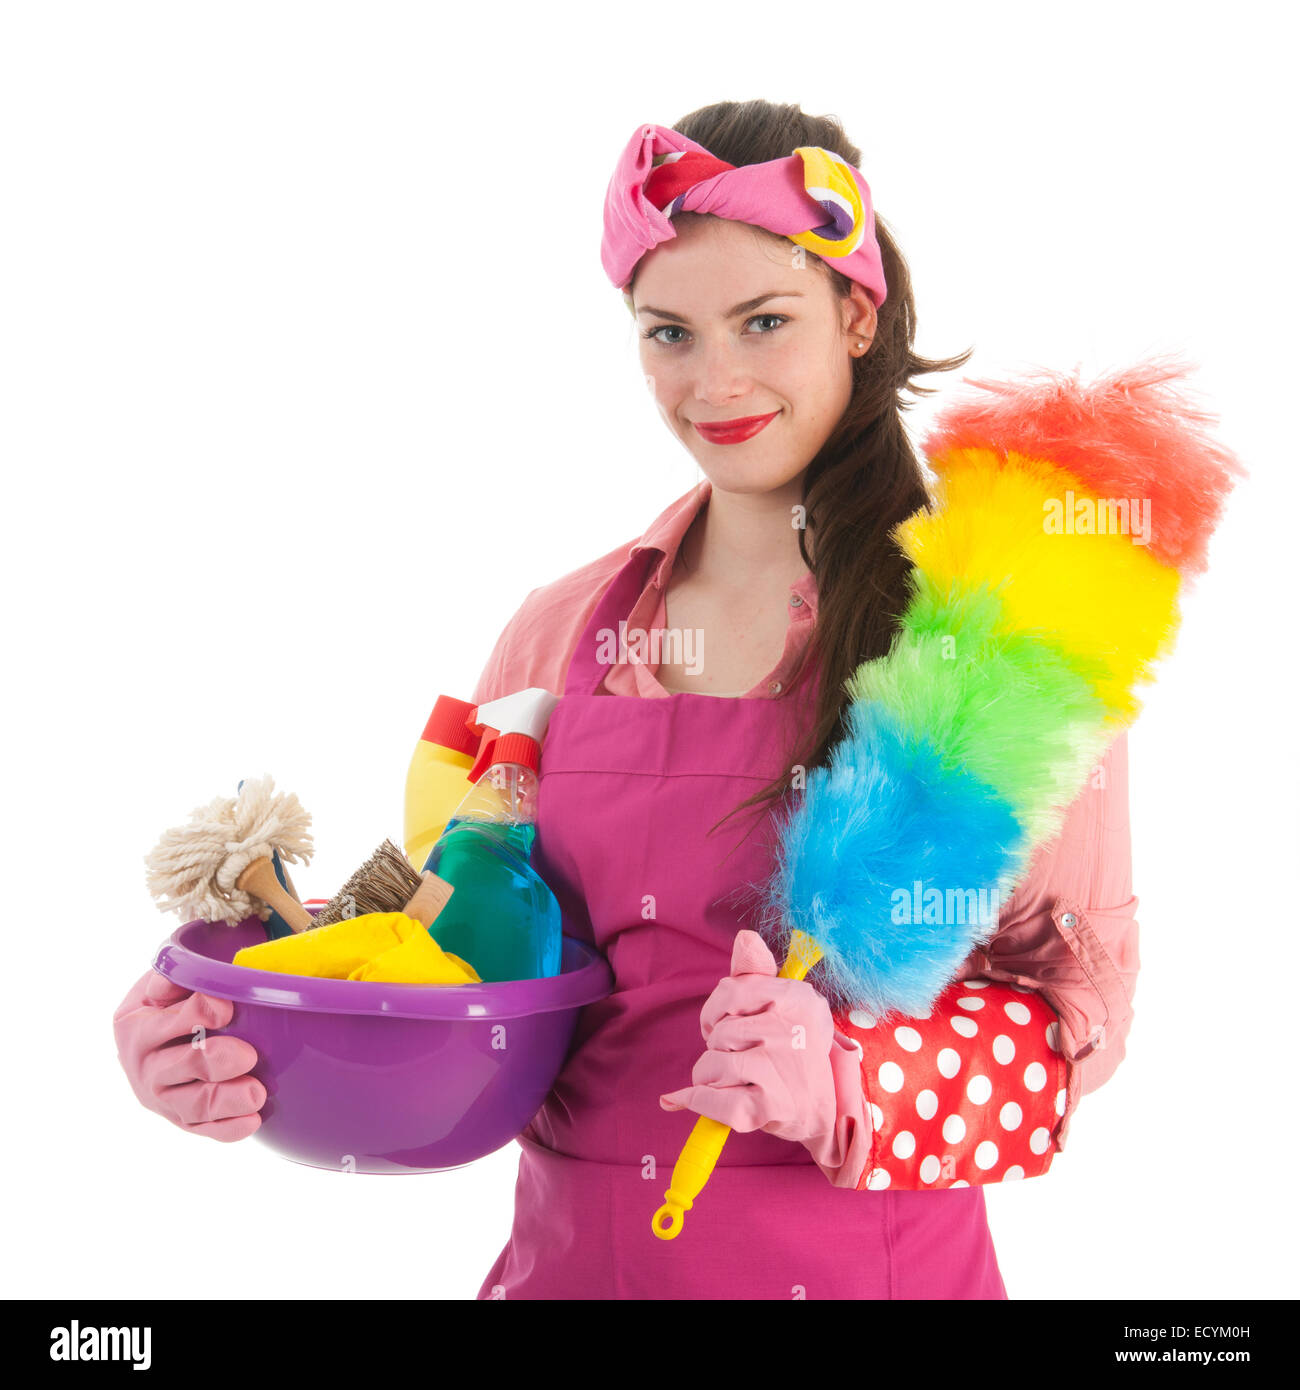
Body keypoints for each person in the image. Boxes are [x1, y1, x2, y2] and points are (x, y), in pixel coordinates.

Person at [113, 100, 1140, 1299]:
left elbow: (1081, 1025)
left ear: (856, 315)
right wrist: (247, 1009)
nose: (715, 381)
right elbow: (449, 929)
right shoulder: (558, 629)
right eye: (668, 334)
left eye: (765, 321)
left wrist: (850, 1075)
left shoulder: (995, 646)